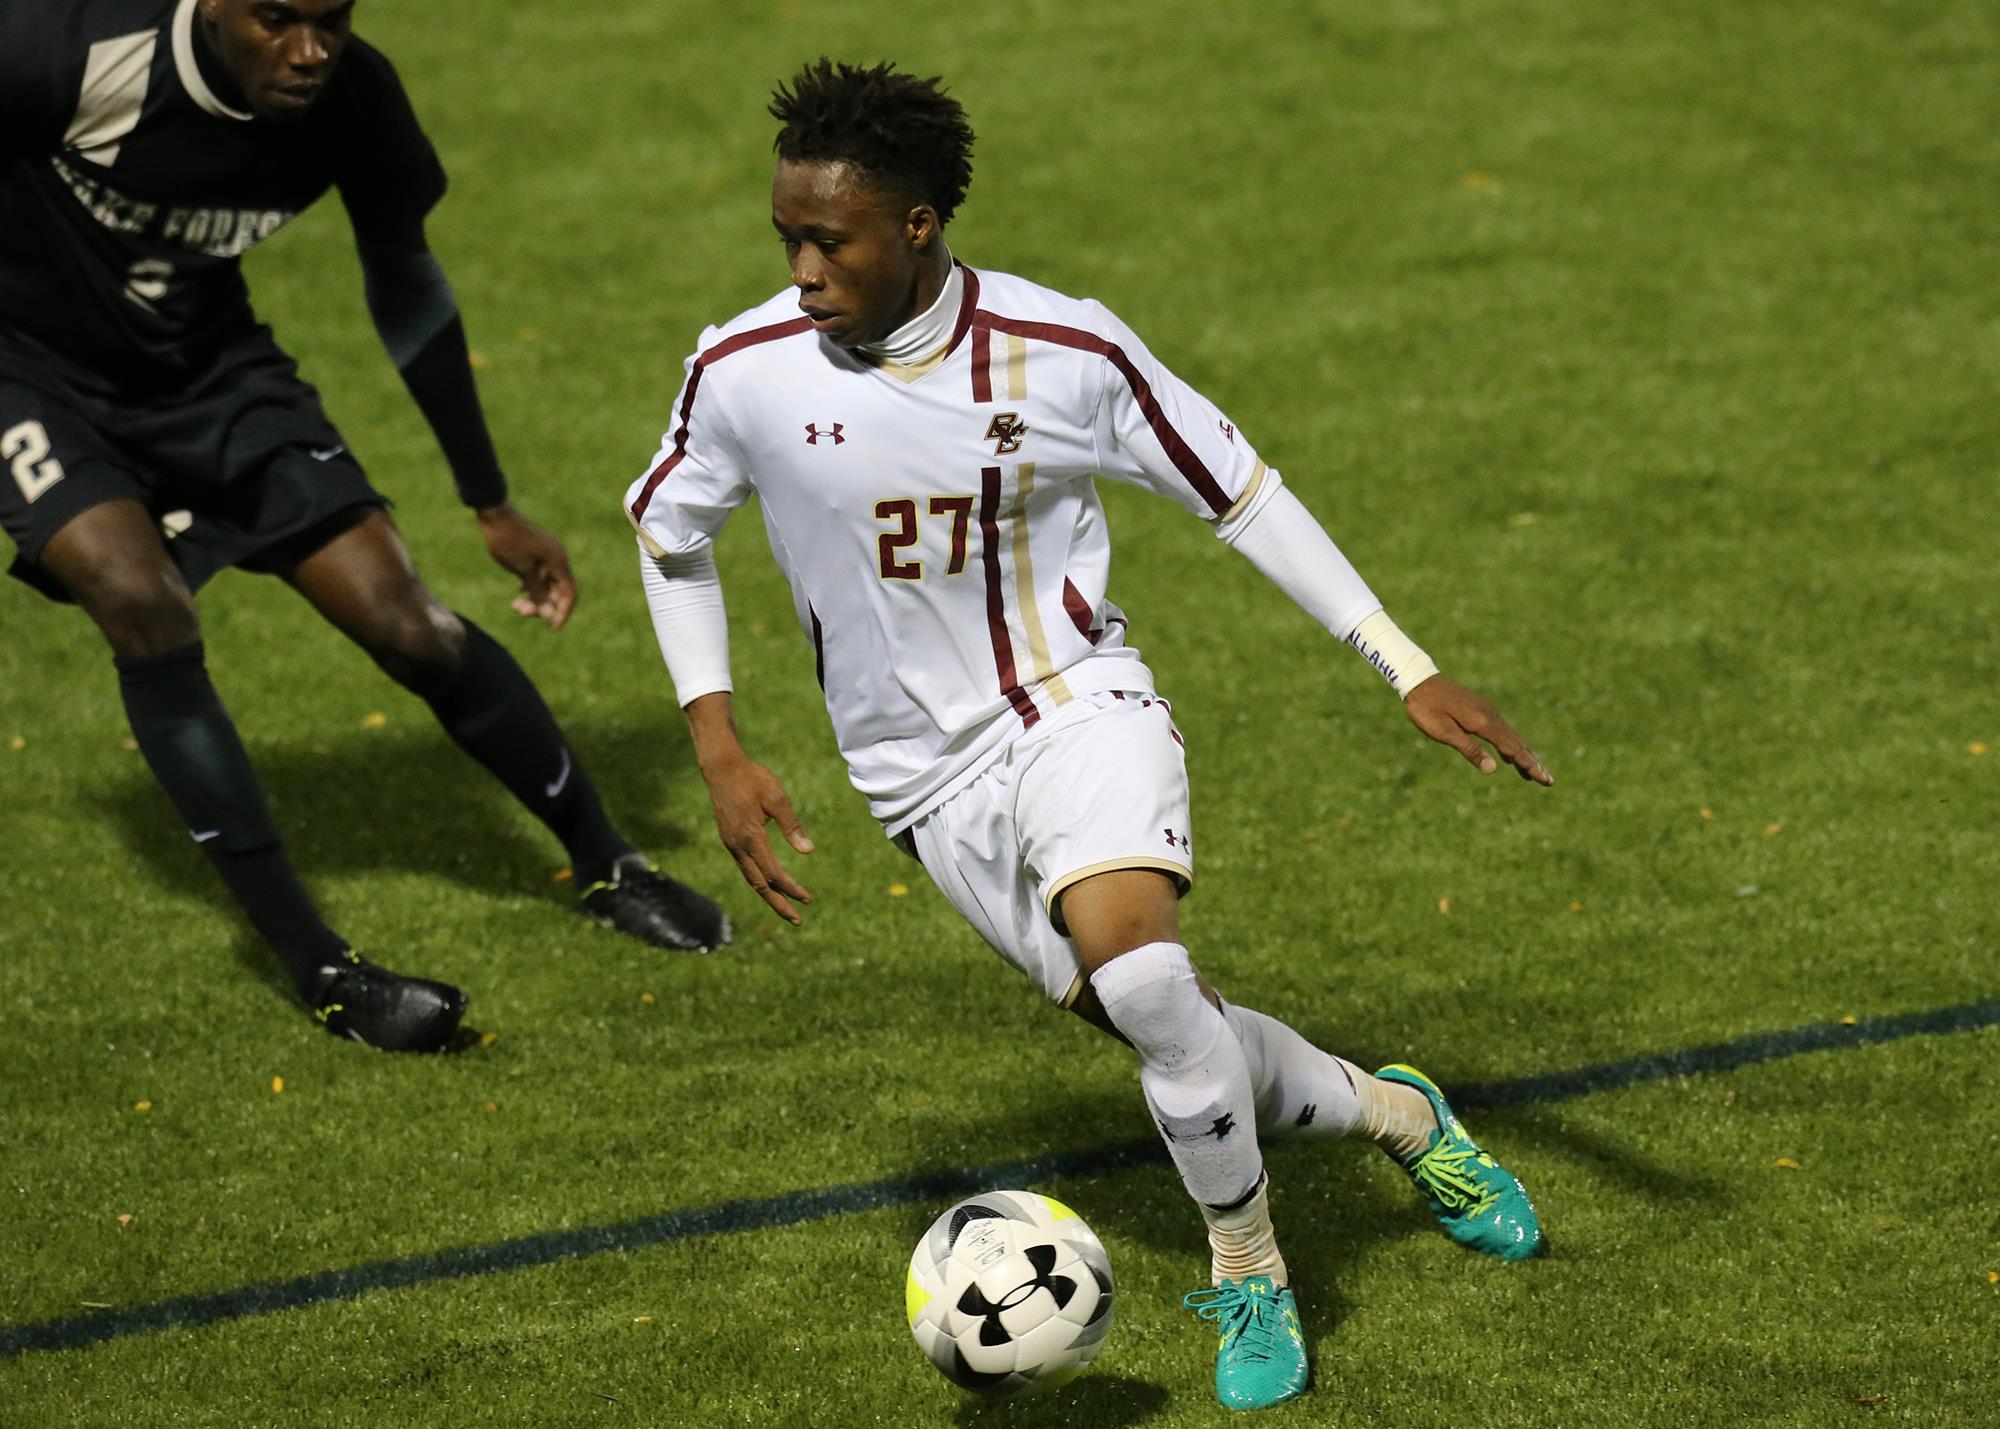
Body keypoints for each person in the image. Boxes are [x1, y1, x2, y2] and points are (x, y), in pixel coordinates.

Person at [627, 59, 1552, 1410]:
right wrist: (717, 740)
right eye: (788, 239)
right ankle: (1402, 1114)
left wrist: (1403, 663)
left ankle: (1249, 1270)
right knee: (1174, 1032)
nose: (803, 269)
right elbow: (670, 539)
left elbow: (1240, 490)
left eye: (830, 241)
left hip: (1076, 703)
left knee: (1142, 977)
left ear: (921, 226)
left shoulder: (1069, 352)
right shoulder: (744, 370)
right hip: (919, 780)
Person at [0, 0, 731, 1054]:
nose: (309, 52)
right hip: (30, 371)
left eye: (332, 20)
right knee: (138, 597)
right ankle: (324, 970)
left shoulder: (354, 98)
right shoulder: (59, 51)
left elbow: (405, 280)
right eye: (277, 20)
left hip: (209, 372)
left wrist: (486, 497)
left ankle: (607, 860)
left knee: (411, 623)